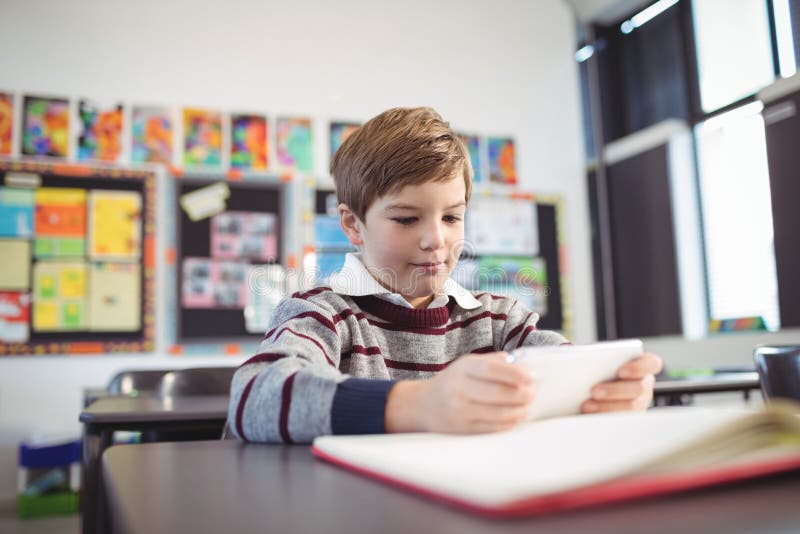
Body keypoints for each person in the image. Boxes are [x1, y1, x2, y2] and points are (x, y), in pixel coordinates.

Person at [227, 107, 662, 443]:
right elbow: (254, 396)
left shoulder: (498, 320)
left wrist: (607, 391)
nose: (435, 240)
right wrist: (420, 405)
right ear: (352, 224)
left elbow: (565, 369)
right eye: (406, 219)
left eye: (452, 217)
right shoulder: (323, 313)